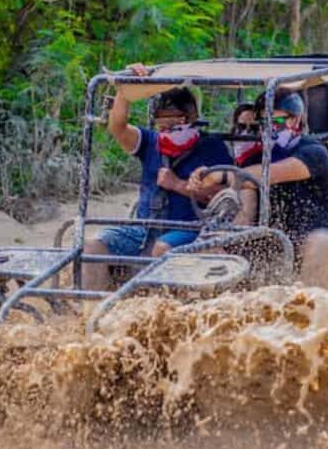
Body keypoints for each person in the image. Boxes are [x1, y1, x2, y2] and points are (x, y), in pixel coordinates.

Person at [82, 63, 231, 290]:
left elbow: (225, 198)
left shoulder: (211, 148)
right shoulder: (151, 143)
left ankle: (156, 313)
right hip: (144, 227)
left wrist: (179, 185)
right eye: (163, 124)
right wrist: (127, 88)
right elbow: (118, 127)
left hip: (189, 228)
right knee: (92, 245)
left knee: (162, 248)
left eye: (176, 123)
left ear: (192, 119)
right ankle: (89, 309)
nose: (168, 129)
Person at [190, 91, 328, 289]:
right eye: (264, 122)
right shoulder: (257, 157)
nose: (269, 128)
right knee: (213, 244)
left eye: (277, 120)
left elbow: (271, 173)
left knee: (320, 244)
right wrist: (225, 237)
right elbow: (246, 204)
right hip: (272, 236)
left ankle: (310, 314)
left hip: (316, 231)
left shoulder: (313, 151)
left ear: (296, 120)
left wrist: (222, 175)